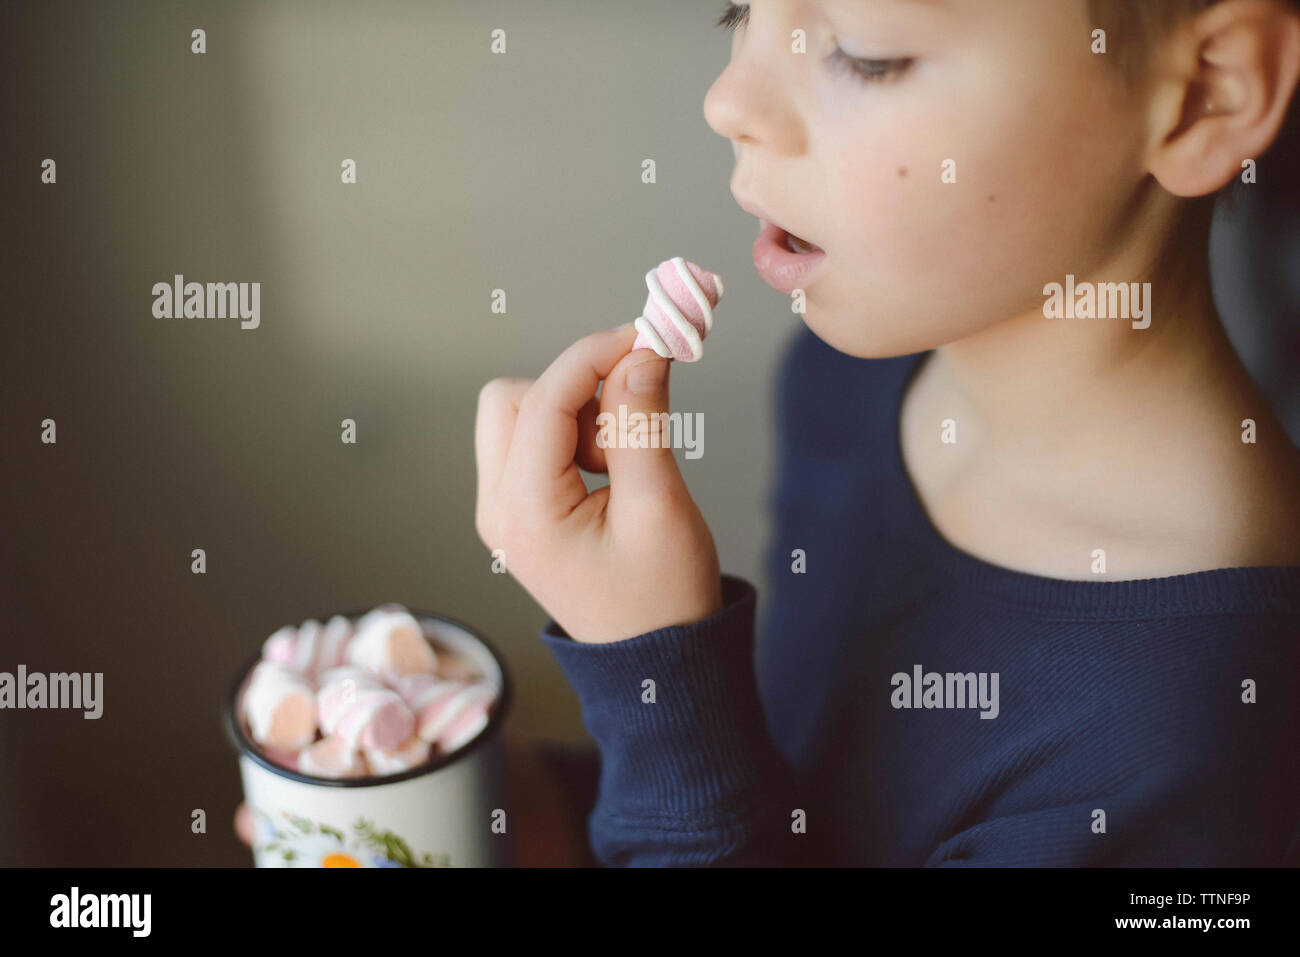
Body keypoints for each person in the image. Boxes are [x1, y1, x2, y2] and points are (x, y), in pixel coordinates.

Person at [480, 0, 1300, 866]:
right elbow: (814, 805)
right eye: (740, 9)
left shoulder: (1185, 746)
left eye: (865, 55)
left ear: (1210, 91)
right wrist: (525, 794)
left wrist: (653, 684)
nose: (728, 98)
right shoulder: (846, 374)